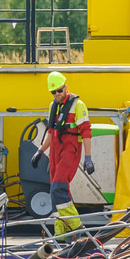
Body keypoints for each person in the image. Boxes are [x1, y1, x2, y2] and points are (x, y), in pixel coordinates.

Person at [31, 71, 94, 240]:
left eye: (59, 90)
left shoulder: (78, 105)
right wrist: (40, 151)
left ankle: (76, 226)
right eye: (53, 92)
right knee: (56, 193)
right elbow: (51, 132)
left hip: (70, 150)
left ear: (66, 87)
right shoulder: (54, 107)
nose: (57, 94)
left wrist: (88, 158)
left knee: (58, 188)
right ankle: (60, 235)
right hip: (55, 151)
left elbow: (86, 132)